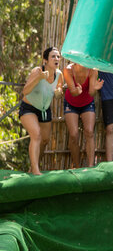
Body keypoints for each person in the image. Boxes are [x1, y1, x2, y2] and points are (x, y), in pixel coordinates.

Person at [19, 47, 64, 175]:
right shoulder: (37, 71)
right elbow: (25, 91)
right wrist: (38, 78)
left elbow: (59, 91)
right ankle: (36, 171)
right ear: (45, 60)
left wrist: (58, 93)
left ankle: (33, 167)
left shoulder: (59, 74)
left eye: (58, 56)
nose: (56, 59)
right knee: (36, 135)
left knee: (44, 140)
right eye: (53, 56)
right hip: (28, 108)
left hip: (44, 110)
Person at [63, 63, 103, 168]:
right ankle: (77, 166)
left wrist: (95, 89)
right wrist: (77, 91)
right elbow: (72, 92)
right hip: (71, 102)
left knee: (89, 131)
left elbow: (91, 93)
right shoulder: (68, 70)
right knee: (74, 135)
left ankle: (90, 166)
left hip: (87, 102)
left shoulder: (93, 70)